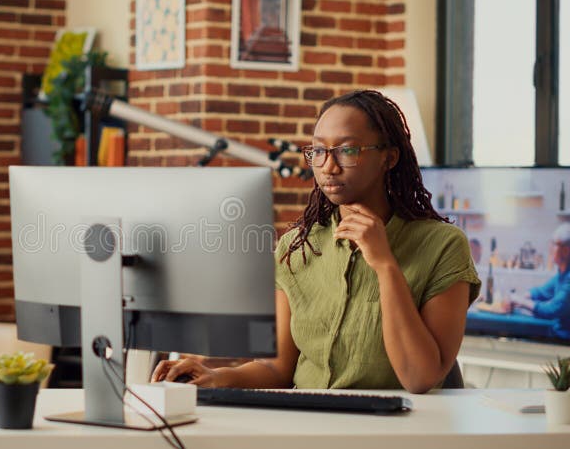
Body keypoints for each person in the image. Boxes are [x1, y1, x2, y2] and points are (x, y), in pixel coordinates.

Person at [152, 90, 481, 394]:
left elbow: (421, 377)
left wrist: (384, 264)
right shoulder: (297, 247)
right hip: (306, 425)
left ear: (389, 158)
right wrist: (214, 376)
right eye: (320, 151)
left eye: (347, 150)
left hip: (398, 431)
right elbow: (279, 368)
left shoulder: (443, 246)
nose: (328, 166)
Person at [503, 223, 570, 339]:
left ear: (566, 250)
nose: (550, 248)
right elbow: (541, 292)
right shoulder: (562, 274)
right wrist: (521, 297)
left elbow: (552, 310)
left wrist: (520, 300)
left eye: (555, 244)